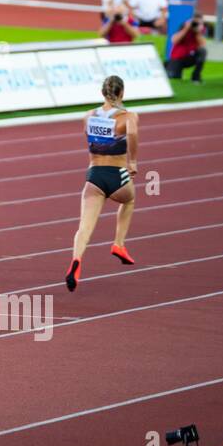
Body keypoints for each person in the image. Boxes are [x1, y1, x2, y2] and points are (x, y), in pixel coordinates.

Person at [65, 75, 139, 292]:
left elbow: (92, 144)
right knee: (130, 200)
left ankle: (76, 260)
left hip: (94, 176)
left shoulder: (88, 116)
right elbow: (133, 137)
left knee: (84, 228)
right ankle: (118, 243)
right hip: (117, 175)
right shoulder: (129, 117)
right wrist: (132, 162)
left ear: (102, 93)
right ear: (122, 93)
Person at [166, 16, 207, 83]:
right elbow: (174, 41)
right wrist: (186, 29)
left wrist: (198, 32)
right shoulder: (182, 30)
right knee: (174, 77)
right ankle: (167, 66)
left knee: (202, 51)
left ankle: (195, 77)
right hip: (178, 58)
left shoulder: (197, 33)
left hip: (190, 57)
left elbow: (203, 44)